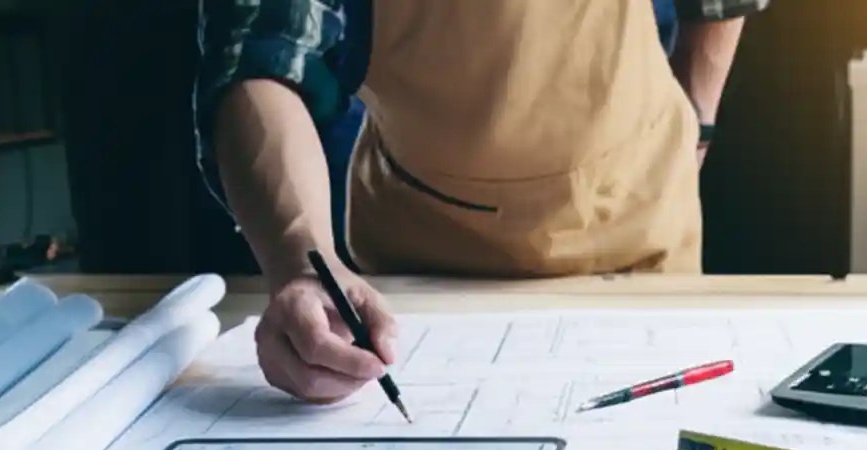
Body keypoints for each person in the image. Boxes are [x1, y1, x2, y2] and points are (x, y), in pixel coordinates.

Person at [194, 0, 770, 403]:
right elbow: (260, 57)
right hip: (425, 252)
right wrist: (301, 262)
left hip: (640, 219)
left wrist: (699, 122)